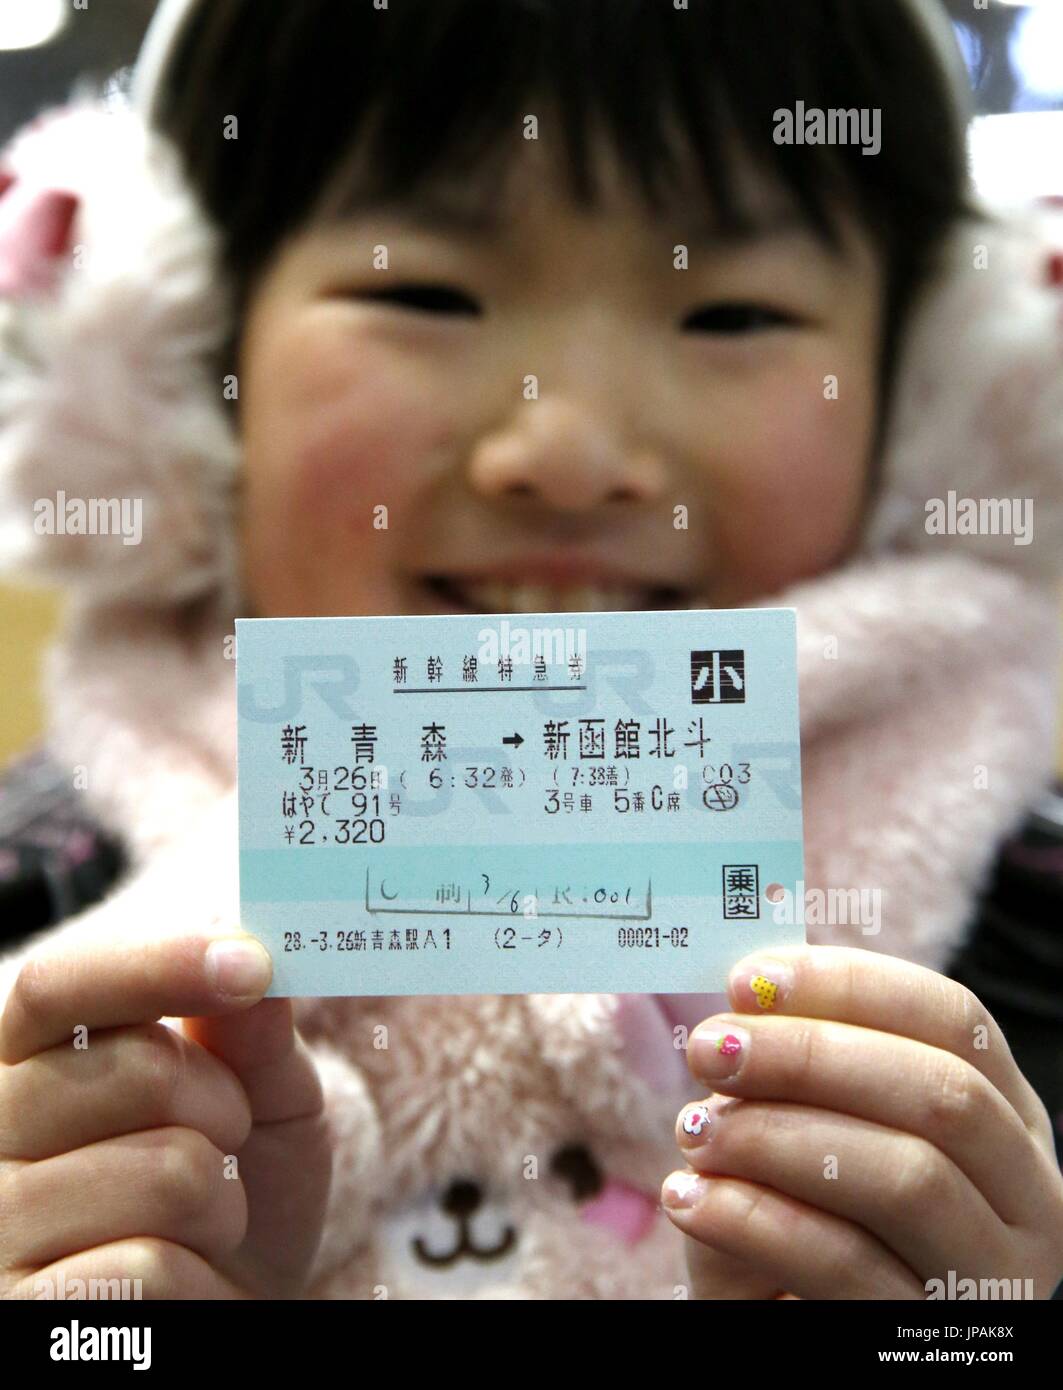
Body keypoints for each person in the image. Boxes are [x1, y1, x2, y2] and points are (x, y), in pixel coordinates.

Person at [0, 0, 1061, 1300]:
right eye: (422, 290)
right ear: (173, 368)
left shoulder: (1042, 951)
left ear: (928, 405)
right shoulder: (29, 919)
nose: (566, 458)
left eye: (730, 317)